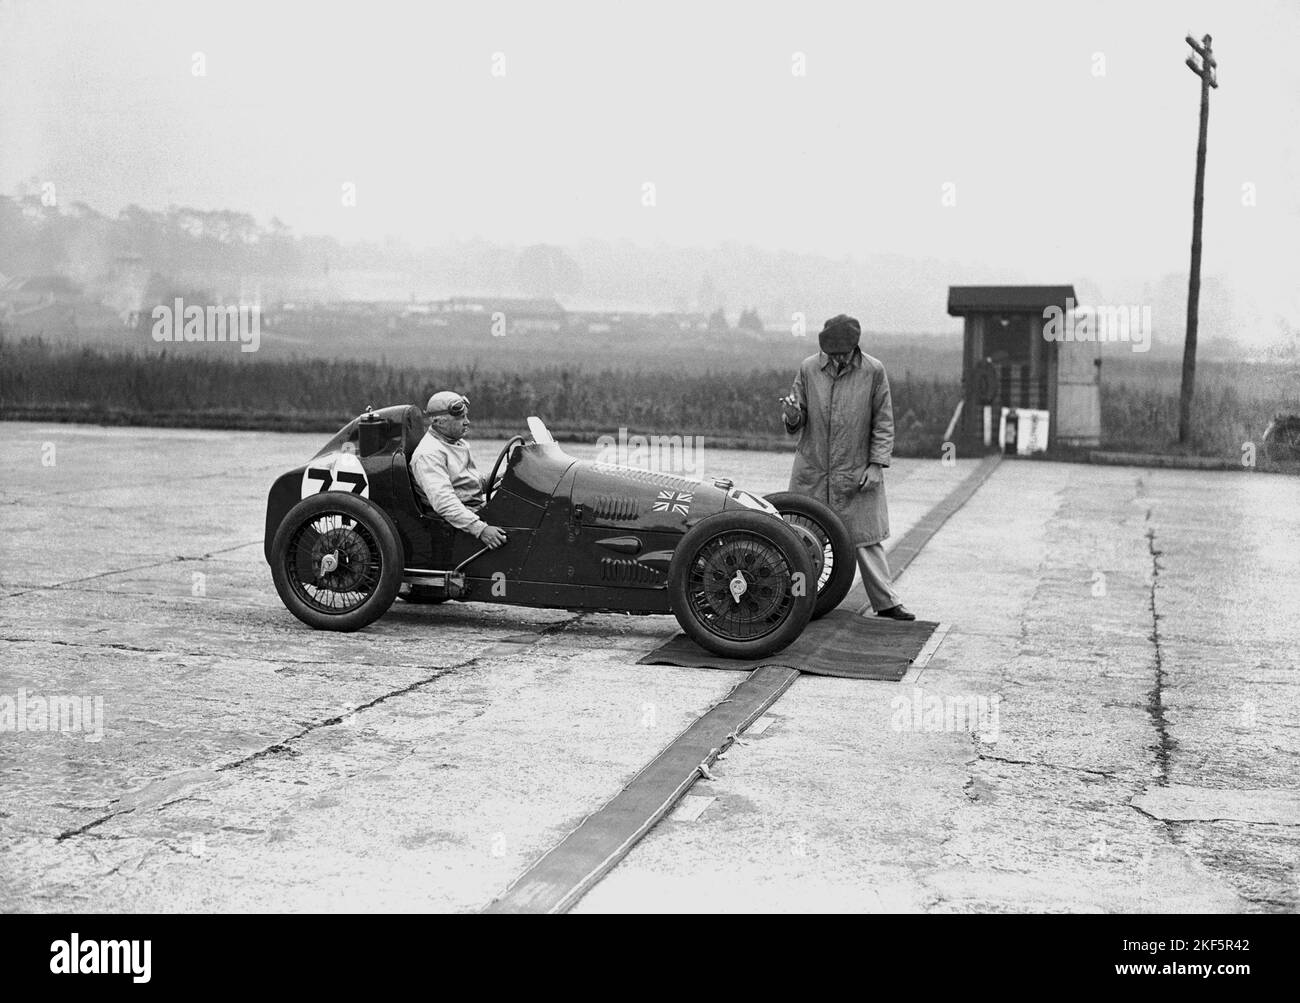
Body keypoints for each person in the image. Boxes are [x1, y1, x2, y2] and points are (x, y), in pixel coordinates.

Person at [780, 314, 915, 620]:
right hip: (812, 470)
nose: (837, 358)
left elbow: (884, 422)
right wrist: (790, 414)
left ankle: (887, 602)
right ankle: (791, 599)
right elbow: (796, 420)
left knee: (866, 539)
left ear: (855, 347)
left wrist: (877, 464)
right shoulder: (808, 368)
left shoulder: (873, 371)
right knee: (799, 537)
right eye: (832, 352)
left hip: (856, 472)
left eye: (843, 352)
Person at [409, 391, 507, 550]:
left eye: (466, 416)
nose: (467, 422)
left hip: (474, 512)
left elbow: (470, 484)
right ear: (439, 422)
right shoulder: (428, 454)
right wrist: (481, 529)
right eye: (460, 418)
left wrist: (506, 475)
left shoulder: (455, 443)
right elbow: (444, 503)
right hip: (458, 525)